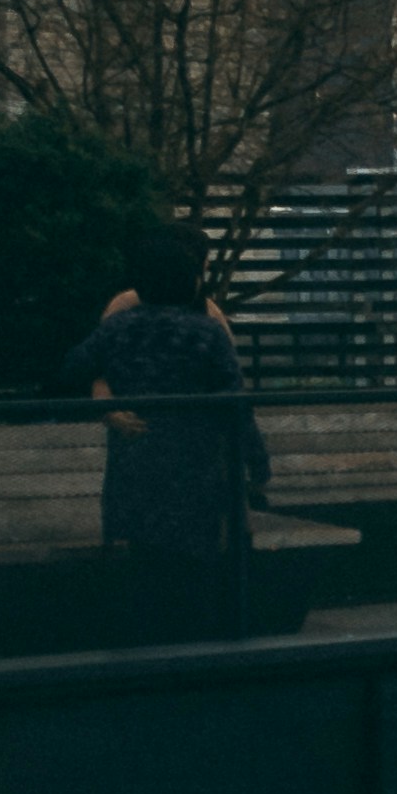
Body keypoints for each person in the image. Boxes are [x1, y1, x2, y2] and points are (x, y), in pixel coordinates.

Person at [76, 273, 260, 643]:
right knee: (196, 564)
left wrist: (108, 401)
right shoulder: (204, 326)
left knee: (151, 565)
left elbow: (80, 365)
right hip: (197, 460)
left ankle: (154, 648)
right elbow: (233, 394)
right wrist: (256, 460)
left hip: (142, 458)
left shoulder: (122, 321)